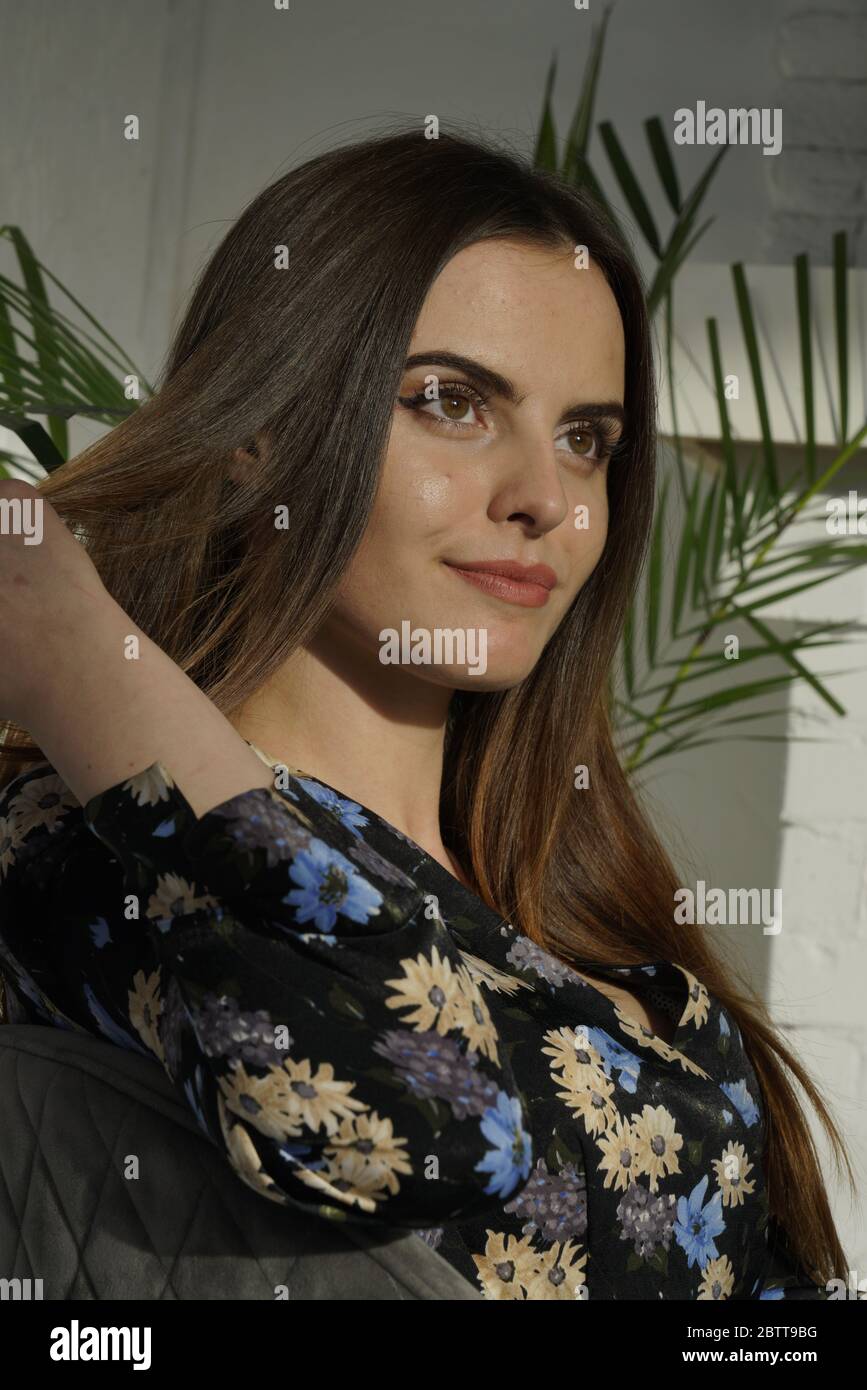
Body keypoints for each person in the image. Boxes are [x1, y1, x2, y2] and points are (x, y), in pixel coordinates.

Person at [0, 127, 852, 1300]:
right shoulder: (107, 831)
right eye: (452, 401)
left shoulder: (588, 908)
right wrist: (79, 650)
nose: (547, 498)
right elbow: (382, 1119)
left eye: (587, 439)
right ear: (257, 431)